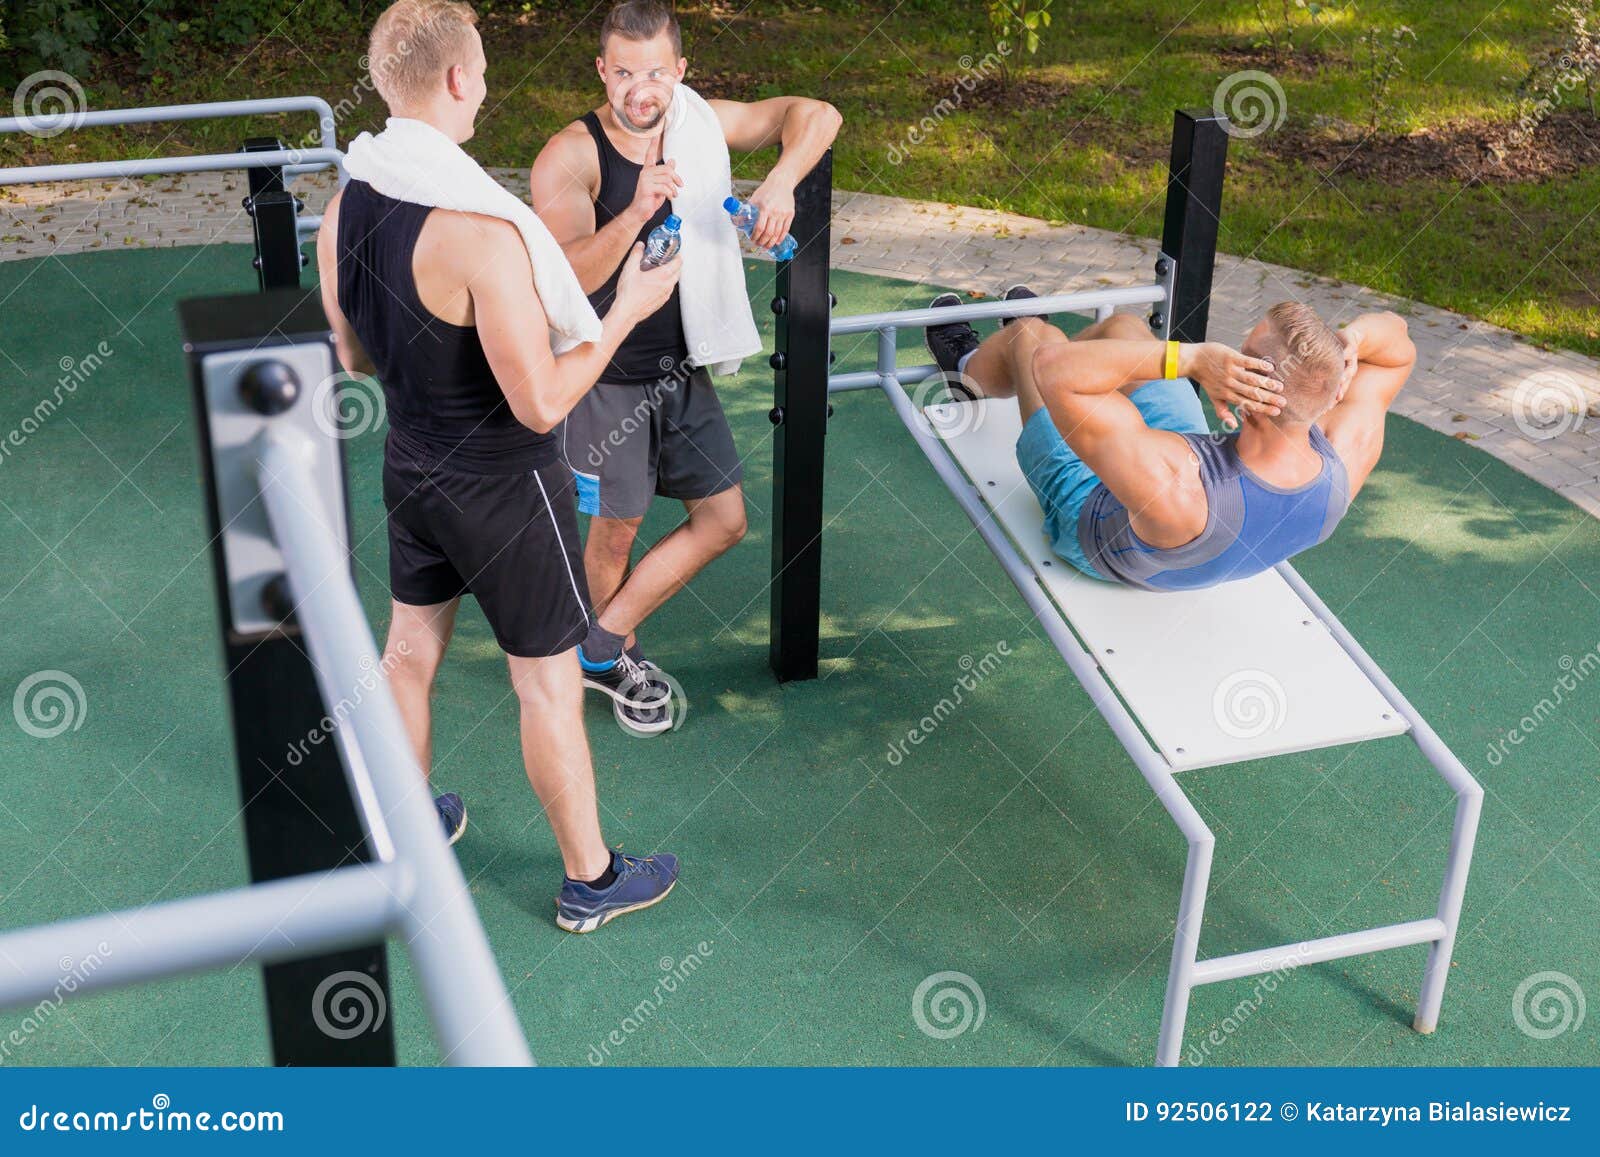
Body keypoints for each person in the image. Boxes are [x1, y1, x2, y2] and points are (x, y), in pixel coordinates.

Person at [315, 0, 680, 932]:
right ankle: (591, 879)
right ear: (454, 79)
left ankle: (408, 831)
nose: (485, 87)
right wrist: (629, 308)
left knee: (408, 655)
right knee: (547, 683)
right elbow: (544, 403)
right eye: (480, 69)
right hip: (507, 487)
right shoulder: (480, 233)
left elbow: (353, 356)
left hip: (410, 467)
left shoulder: (346, 203)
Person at [530, 0, 842, 714]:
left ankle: (597, 643)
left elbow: (818, 114)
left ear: (680, 71)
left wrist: (781, 179)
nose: (641, 90)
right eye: (624, 73)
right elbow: (567, 278)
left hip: (682, 365)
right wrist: (635, 212)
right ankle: (617, 657)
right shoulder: (570, 154)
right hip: (605, 374)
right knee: (616, 533)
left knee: (724, 520)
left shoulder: (697, 121)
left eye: (655, 73)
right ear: (601, 71)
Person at [923, 287, 1416, 590]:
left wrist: (1195, 359)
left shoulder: (1179, 484)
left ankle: (969, 369)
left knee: (1032, 339)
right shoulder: (1344, 452)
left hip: (1093, 518)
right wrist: (1351, 341)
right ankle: (1051, 351)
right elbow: (1397, 343)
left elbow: (1053, 371)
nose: (1228, 354)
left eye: (1239, 354)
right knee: (1125, 327)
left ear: (1251, 396)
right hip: (1187, 497)